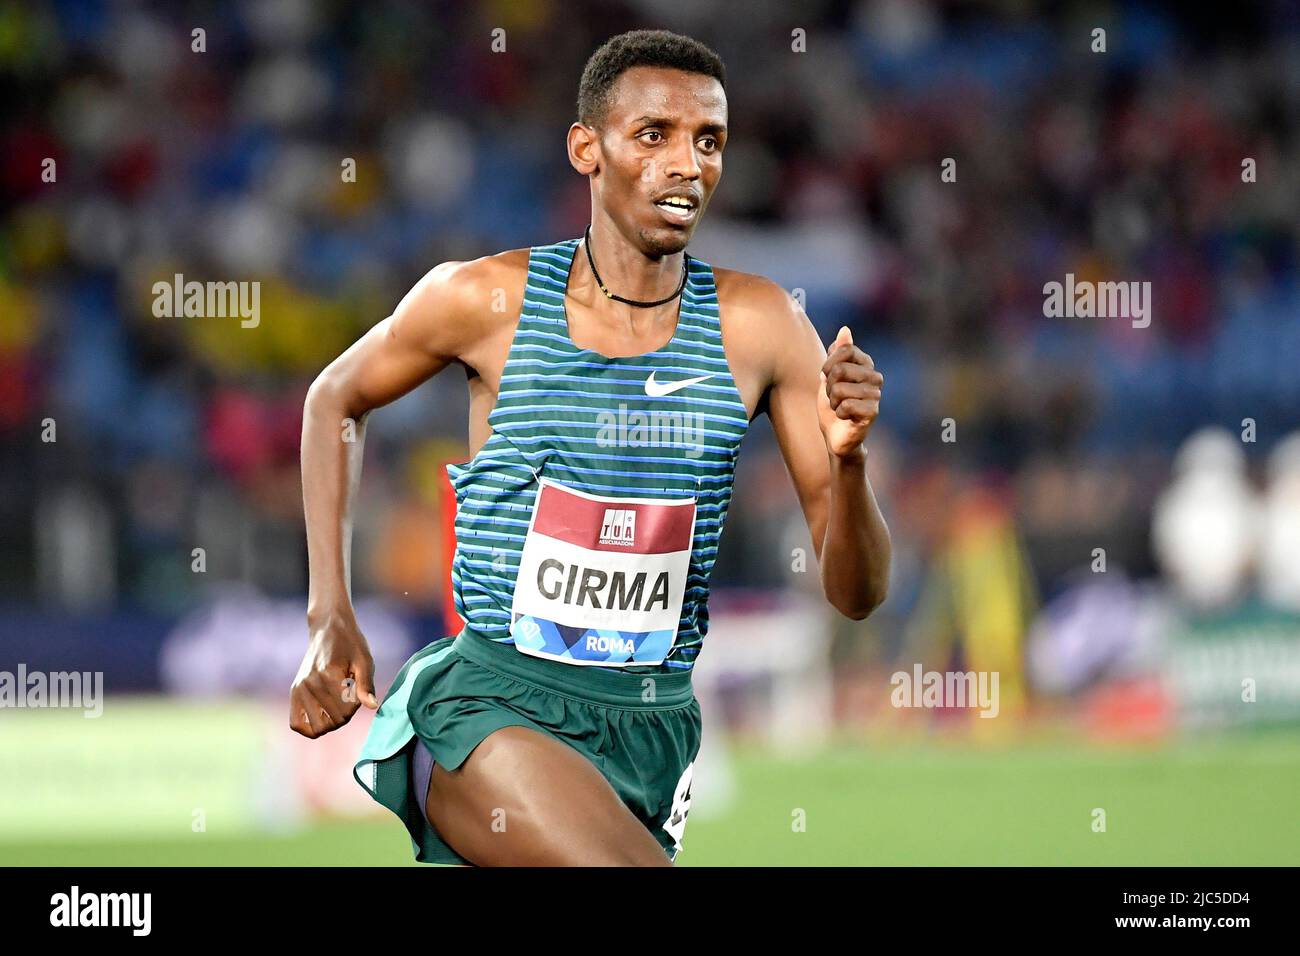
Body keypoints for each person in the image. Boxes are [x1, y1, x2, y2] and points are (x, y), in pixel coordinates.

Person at [292, 29, 891, 866]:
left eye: (708, 141)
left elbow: (857, 594)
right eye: (655, 135)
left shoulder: (761, 328)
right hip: (493, 707)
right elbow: (334, 399)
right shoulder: (484, 299)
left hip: (653, 733)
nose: (688, 164)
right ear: (587, 147)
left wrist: (852, 466)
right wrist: (330, 613)